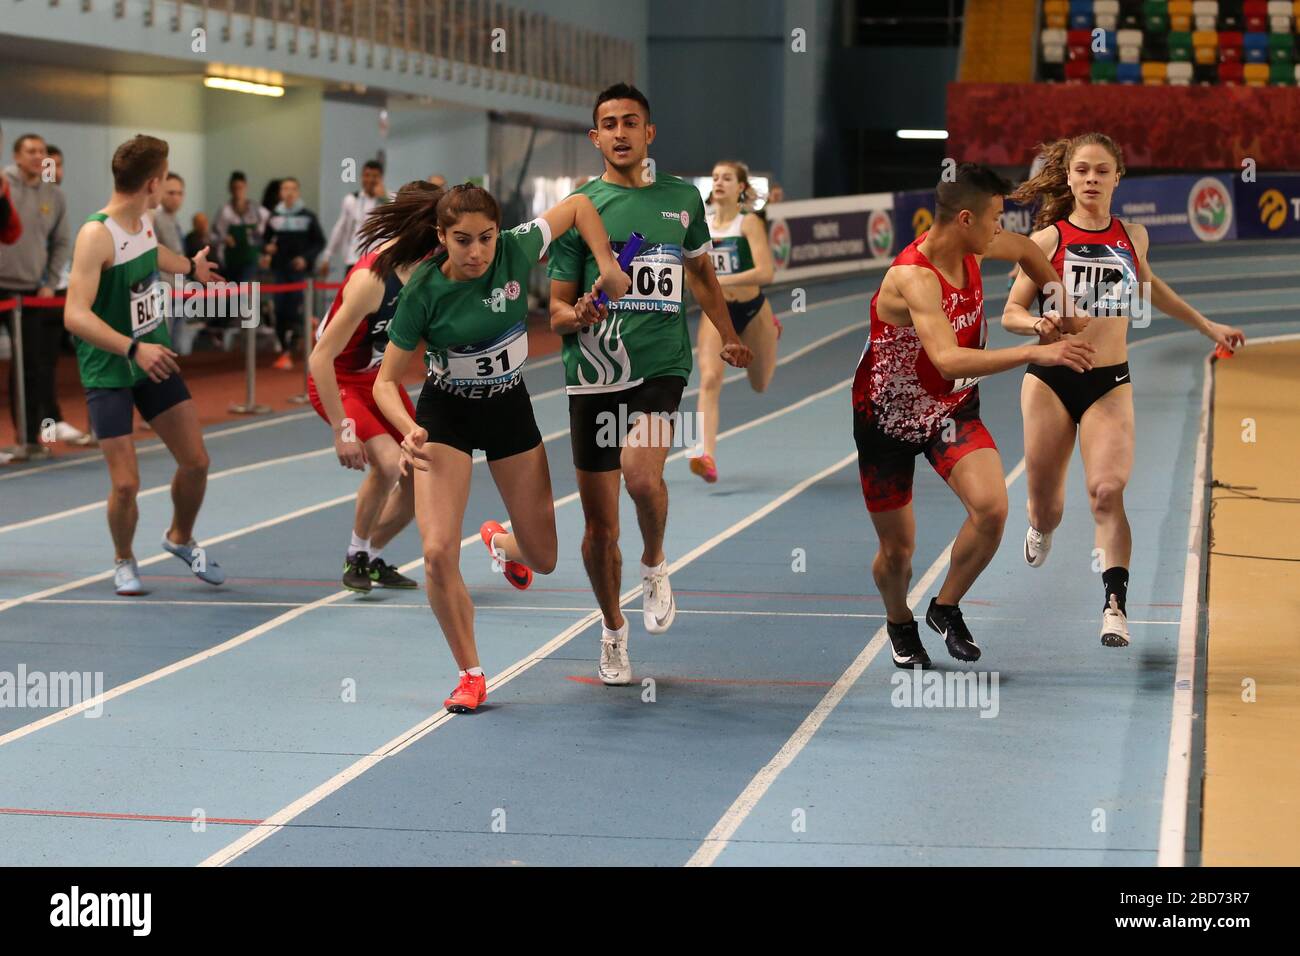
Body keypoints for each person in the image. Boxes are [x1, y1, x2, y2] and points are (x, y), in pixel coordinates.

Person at [373, 182, 630, 713]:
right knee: (437, 552)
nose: (477, 252)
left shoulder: (516, 247)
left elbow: (580, 206)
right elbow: (383, 382)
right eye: (463, 240)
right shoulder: (423, 289)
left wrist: (607, 265)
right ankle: (470, 673)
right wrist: (407, 428)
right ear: (441, 238)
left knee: (546, 557)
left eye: (485, 238)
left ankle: (501, 543)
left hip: (509, 408)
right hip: (446, 415)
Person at [1005, 133, 1246, 647]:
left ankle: (1115, 606)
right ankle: (1041, 526)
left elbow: (1151, 289)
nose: (1091, 179)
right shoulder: (1048, 240)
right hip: (1050, 380)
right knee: (1046, 508)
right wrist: (1039, 326)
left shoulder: (1133, 236)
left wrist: (1207, 326)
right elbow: (1010, 313)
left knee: (1108, 491)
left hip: (1108, 382)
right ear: (1068, 177)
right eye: (1082, 170)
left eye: (1101, 171)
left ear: (1118, 178)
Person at [547, 83, 752, 686]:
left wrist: (729, 332)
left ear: (648, 134)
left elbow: (702, 277)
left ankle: (656, 562)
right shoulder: (578, 208)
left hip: (660, 367)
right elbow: (556, 309)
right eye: (607, 124)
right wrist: (577, 316)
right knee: (597, 528)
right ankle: (612, 631)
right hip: (592, 373)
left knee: (642, 475)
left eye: (629, 122)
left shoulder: (681, 199)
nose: (618, 132)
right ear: (594, 137)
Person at [853, 162, 1095, 668]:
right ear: (965, 219)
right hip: (888, 422)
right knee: (898, 552)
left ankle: (945, 608)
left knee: (992, 509)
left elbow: (1030, 251)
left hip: (951, 410)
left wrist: (1060, 305)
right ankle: (900, 622)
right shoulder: (913, 277)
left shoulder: (978, 247)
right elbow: (948, 359)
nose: (1000, 230)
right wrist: (1035, 351)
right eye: (994, 220)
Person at [61, 134, 226, 595]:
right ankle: (123, 559)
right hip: (111, 368)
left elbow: (152, 255)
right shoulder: (97, 234)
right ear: (153, 183)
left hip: (154, 360)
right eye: (167, 177)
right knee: (127, 485)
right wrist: (133, 349)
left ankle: (179, 537)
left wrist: (190, 268)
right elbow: (74, 314)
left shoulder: (145, 221)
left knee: (196, 461)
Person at [307, 181, 432, 594]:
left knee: (420, 467)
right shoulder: (371, 281)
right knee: (388, 460)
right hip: (339, 379)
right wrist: (342, 431)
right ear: (425, 228)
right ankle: (355, 555)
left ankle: (372, 556)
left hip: (379, 380)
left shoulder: (427, 269)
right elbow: (319, 359)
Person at [687, 160, 780, 483]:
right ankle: (705, 453)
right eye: (714, 177)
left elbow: (766, 272)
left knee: (760, 384)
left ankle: (773, 330)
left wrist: (719, 281)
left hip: (753, 309)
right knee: (710, 379)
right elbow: (692, 274)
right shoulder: (701, 226)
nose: (719, 182)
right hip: (717, 315)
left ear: (741, 187)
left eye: (727, 178)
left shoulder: (749, 223)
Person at [1, 132, 74, 458]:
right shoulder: (3, 184)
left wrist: (50, 280)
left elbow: (61, 242)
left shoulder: (53, 194)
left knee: (31, 367)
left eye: (42, 151)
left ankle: (30, 438)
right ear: (17, 156)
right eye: (30, 151)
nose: (37, 156)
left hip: (31, 291)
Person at [261, 177, 325, 370]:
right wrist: (267, 249)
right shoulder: (274, 217)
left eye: (292, 189)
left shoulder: (308, 217)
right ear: (280, 193)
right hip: (280, 271)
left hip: (299, 274)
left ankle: (302, 336)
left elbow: (319, 242)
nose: (288, 192)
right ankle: (285, 351)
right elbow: (264, 241)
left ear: (298, 192)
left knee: (294, 309)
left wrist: (305, 259)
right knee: (279, 311)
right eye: (285, 189)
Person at [319, 159, 390, 279]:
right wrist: (327, 256)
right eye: (367, 176)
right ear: (361, 177)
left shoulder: (391, 199)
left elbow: (395, 225)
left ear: (381, 178)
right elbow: (340, 228)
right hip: (354, 259)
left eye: (375, 176)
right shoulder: (351, 199)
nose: (371, 180)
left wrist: (384, 199)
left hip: (379, 260)